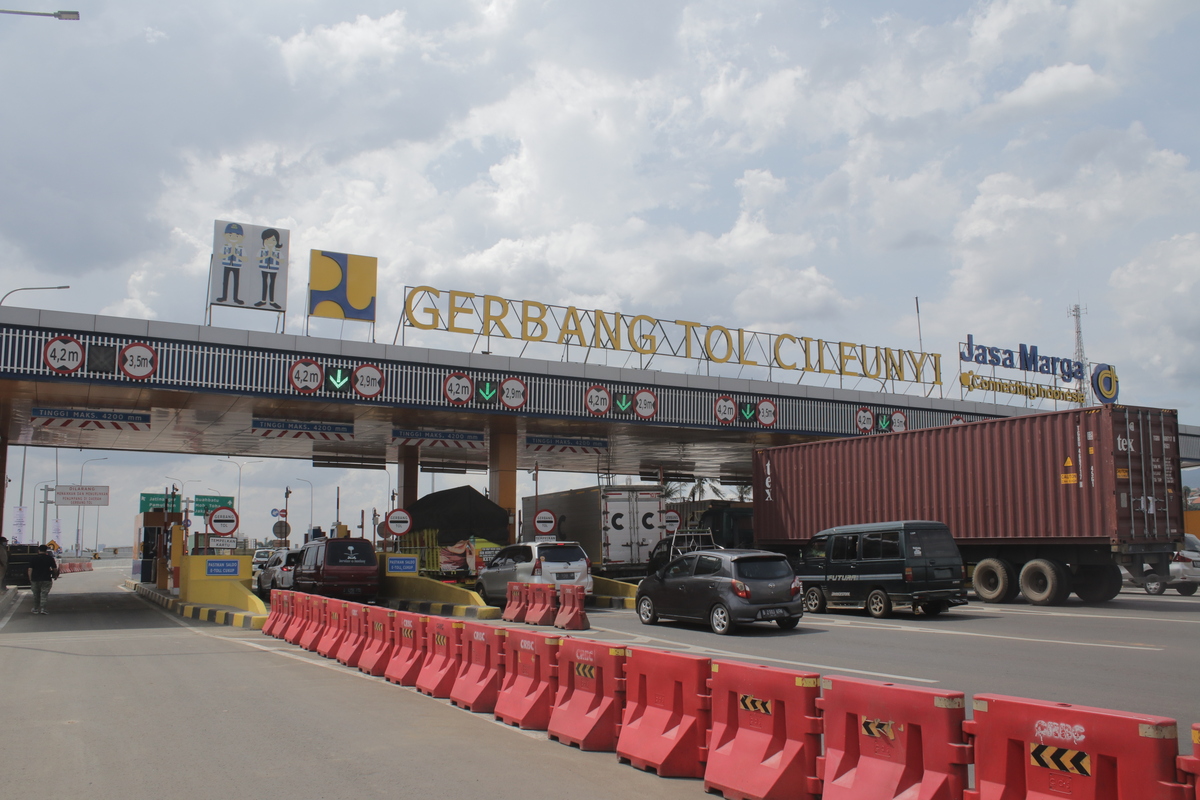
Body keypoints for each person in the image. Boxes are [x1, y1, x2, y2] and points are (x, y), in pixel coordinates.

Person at [26, 544, 59, 614]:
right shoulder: (50, 558)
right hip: (46, 579)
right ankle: (43, 609)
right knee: (44, 594)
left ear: (38, 550)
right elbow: (55, 569)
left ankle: (35, 608)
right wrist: (55, 575)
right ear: (46, 550)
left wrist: (30, 578)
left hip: (35, 579)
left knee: (36, 594)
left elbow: (30, 570)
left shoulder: (33, 558)